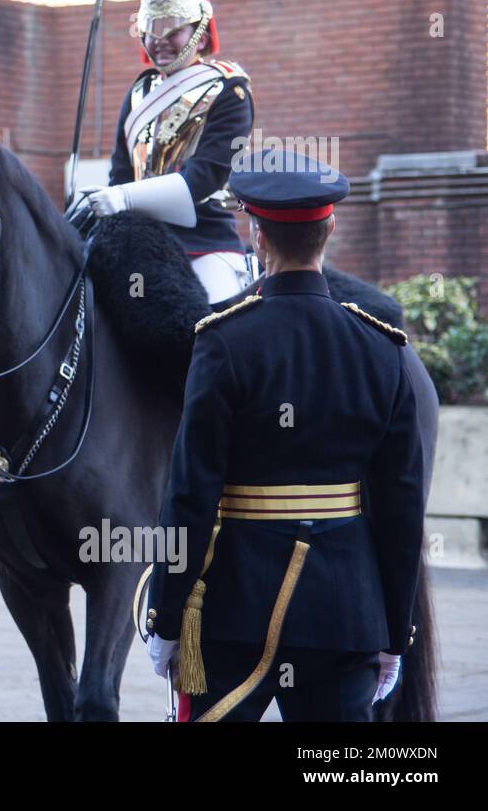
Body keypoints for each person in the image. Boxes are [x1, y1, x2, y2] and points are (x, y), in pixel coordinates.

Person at [145, 151, 426, 722]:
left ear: (256, 234)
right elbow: (402, 512)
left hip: (234, 610)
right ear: (331, 229)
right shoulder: (383, 350)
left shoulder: (223, 341)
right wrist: (394, 632)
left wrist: (168, 618)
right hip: (345, 612)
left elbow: (190, 497)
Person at [81, 0, 255, 304]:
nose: (160, 39)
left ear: (198, 27)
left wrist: (123, 198)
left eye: (173, 27)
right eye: (152, 26)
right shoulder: (139, 91)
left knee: (217, 317)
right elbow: (120, 174)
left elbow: (204, 177)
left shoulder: (228, 89)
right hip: (137, 239)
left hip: (203, 238)